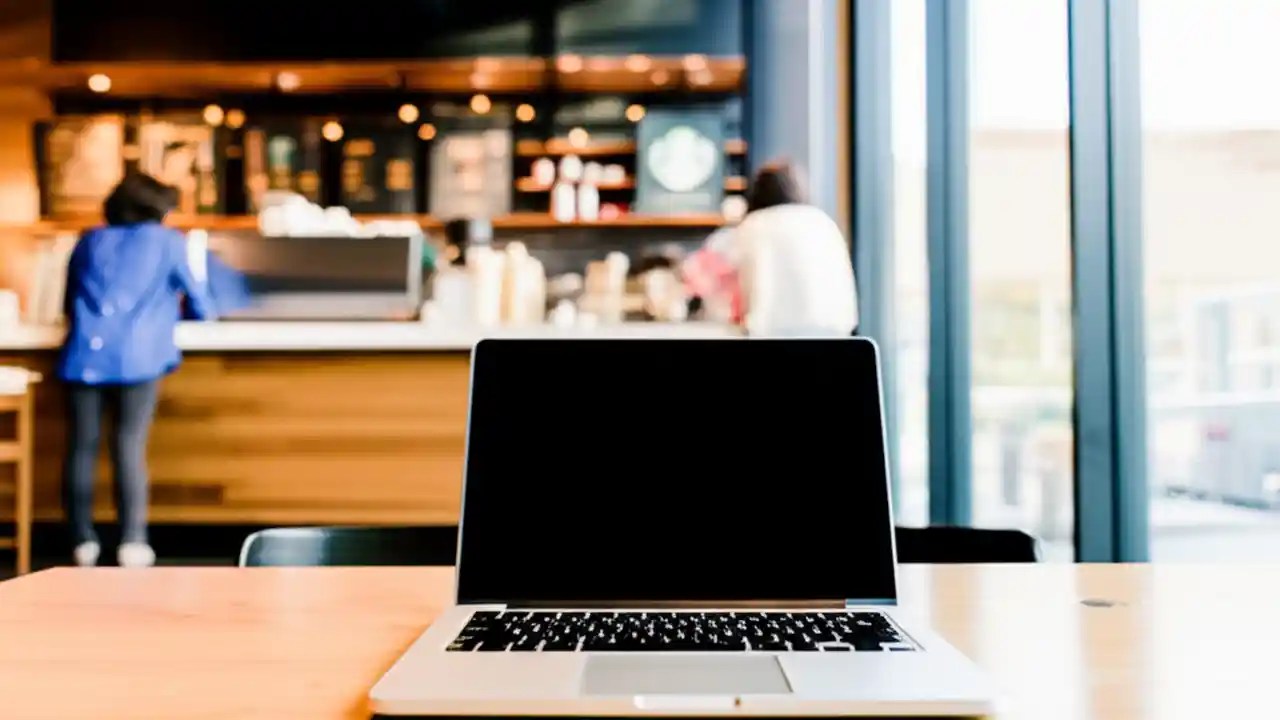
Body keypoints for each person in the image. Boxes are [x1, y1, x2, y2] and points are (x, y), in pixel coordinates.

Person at [58, 172, 218, 568]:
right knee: (128, 445)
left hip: (84, 355)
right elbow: (202, 305)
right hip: (138, 358)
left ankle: (82, 541)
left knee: (81, 447)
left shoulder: (89, 240)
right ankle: (132, 541)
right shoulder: (168, 242)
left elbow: (67, 301)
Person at [732, 161, 858, 336]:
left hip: (771, 335)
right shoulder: (822, 222)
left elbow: (748, 286)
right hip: (832, 333)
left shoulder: (754, 225)